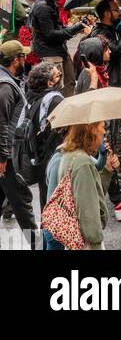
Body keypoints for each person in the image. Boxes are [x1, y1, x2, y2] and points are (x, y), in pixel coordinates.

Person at [50, 119, 111, 250]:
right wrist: (96, 245)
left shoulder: (69, 155)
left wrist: (107, 171)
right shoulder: (82, 163)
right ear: (92, 130)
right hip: (86, 243)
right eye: (102, 127)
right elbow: (88, 214)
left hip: (75, 239)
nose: (104, 131)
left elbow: (91, 196)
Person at [28, 0, 93, 94]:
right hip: (50, 52)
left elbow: (56, 29)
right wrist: (75, 28)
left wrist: (76, 26)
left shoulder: (49, 2)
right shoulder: (42, 7)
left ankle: (66, 108)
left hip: (58, 50)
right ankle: (57, 109)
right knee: (55, 87)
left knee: (70, 81)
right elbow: (50, 34)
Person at [0, 40, 37, 242]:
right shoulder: (5, 86)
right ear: (16, 60)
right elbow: (1, 124)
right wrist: (3, 158)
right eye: (23, 56)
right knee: (22, 204)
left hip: (6, 155)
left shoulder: (8, 79)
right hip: (7, 158)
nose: (26, 58)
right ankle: (37, 245)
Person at [22, 60, 64, 208]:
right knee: (57, 203)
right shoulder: (55, 100)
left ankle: (45, 229)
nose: (61, 76)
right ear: (50, 82)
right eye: (58, 75)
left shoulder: (31, 98)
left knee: (45, 200)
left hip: (40, 157)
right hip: (55, 157)